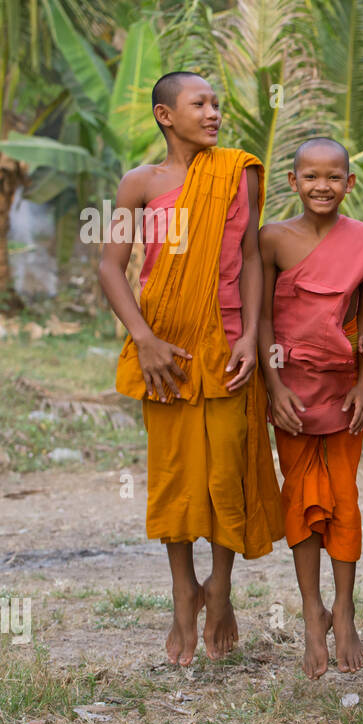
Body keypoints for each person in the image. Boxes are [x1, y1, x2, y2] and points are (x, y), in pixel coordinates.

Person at [99, 71, 282, 666]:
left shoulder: (238, 171)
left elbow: (252, 257)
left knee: (226, 470)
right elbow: (110, 266)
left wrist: (251, 336)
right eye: (198, 104)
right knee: (176, 475)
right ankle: (184, 591)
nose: (213, 113)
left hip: (227, 341)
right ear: (164, 115)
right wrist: (144, 338)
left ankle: (221, 590)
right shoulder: (139, 183)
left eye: (216, 103)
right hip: (165, 350)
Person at [259, 137, 363, 679]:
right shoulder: (272, 239)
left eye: (334, 177)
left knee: (343, 495)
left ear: (350, 183)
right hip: (290, 387)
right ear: (293, 183)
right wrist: (273, 386)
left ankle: (344, 609)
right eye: (311, 177)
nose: (323, 186)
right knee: (299, 495)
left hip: (342, 387)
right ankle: (311, 610)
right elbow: (265, 319)